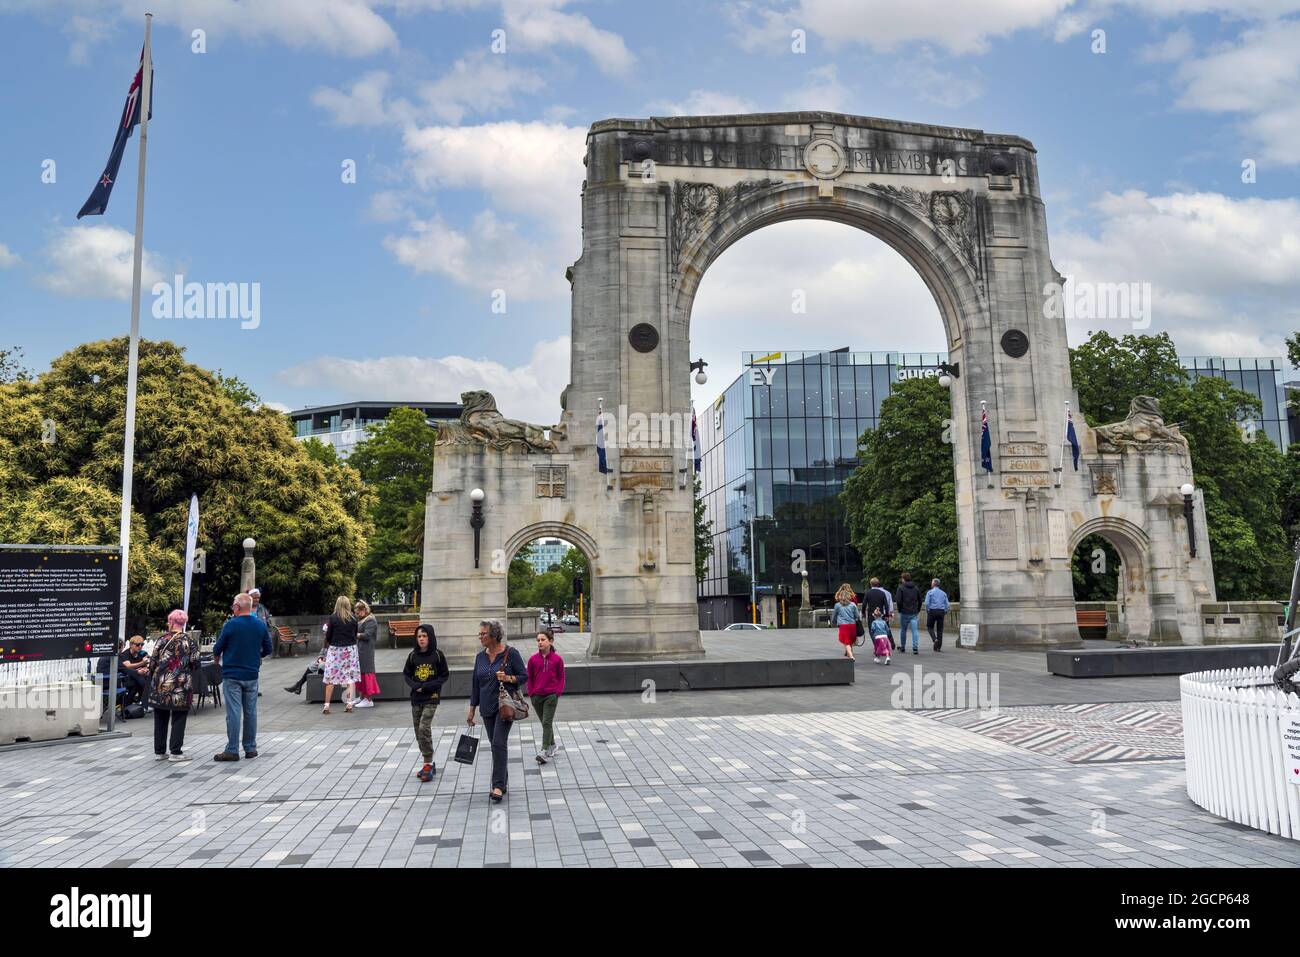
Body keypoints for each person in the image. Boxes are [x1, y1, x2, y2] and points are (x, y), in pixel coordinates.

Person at [466, 618, 528, 803]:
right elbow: (475, 685)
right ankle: (503, 782)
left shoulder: (511, 653)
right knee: (496, 746)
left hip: (504, 707)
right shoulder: (480, 657)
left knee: (498, 744)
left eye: (483, 634)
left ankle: (498, 786)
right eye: (480, 634)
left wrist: (508, 678)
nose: (480, 637)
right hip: (486, 708)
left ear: (494, 635)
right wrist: (471, 710)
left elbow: (524, 676)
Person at [212, 592, 273, 761]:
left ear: (237, 607)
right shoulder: (260, 624)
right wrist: (256, 655)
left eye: (233, 605)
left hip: (232, 674)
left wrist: (218, 658)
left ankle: (232, 749)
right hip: (252, 674)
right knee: (250, 712)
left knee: (233, 712)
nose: (232, 608)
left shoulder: (231, 624)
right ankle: (250, 748)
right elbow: (268, 648)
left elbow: (218, 647)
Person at [149, 610, 200, 762]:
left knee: (160, 716)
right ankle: (175, 752)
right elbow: (195, 663)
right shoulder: (189, 641)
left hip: (161, 684)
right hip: (181, 686)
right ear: (184, 623)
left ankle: (159, 751)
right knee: (179, 717)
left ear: (170, 622)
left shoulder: (161, 639)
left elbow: (153, 662)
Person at [404, 624, 449, 783]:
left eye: (424, 636)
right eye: (419, 636)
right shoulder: (412, 656)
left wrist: (428, 686)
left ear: (430, 637)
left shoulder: (438, 655)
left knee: (424, 727)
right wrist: (415, 686)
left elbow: (444, 675)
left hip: (432, 696)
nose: (421, 639)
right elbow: (407, 675)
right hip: (416, 697)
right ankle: (428, 760)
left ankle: (428, 763)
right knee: (418, 731)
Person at [528, 629, 566, 763]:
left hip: (551, 696)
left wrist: (557, 693)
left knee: (546, 722)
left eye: (543, 640)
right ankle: (553, 745)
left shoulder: (557, 659)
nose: (540, 642)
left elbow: (561, 677)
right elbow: (530, 678)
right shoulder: (533, 659)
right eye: (538, 640)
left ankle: (544, 751)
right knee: (545, 724)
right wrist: (531, 694)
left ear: (550, 641)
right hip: (536, 697)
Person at [321, 596, 359, 714]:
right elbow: (355, 634)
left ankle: (327, 706)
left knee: (330, 678)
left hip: (336, 650)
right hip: (350, 650)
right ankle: (349, 704)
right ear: (348, 605)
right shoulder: (353, 618)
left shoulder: (333, 618)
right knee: (349, 677)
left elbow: (328, 636)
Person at [354, 599, 379, 709]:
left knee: (366, 673)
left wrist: (355, 634)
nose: (357, 614)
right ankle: (362, 697)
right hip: (360, 650)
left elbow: (367, 635)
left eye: (358, 611)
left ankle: (368, 699)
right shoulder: (362, 620)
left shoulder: (371, 620)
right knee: (360, 674)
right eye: (356, 612)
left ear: (364, 610)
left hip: (367, 651)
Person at [115, 635, 152, 708]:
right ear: (131, 645)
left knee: (146, 678)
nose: (140, 646)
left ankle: (142, 703)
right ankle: (143, 703)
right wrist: (142, 663)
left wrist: (146, 669)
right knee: (140, 681)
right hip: (127, 677)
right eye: (138, 645)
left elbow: (146, 665)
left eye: (142, 644)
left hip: (139, 676)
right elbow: (128, 666)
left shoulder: (142, 654)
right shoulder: (125, 654)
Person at [895, 573, 923, 655]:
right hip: (913, 612)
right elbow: (920, 600)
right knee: (915, 630)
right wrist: (917, 610)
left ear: (903, 579)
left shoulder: (901, 588)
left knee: (903, 630)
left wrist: (900, 610)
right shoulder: (916, 588)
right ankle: (915, 647)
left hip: (904, 612)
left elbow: (899, 601)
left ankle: (903, 647)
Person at [832, 584, 862, 661]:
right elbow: (857, 615)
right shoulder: (853, 605)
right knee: (850, 640)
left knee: (846, 641)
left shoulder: (837, 605)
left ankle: (851, 656)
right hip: (852, 625)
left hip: (843, 625)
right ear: (849, 596)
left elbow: (834, 615)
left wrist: (833, 622)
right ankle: (849, 652)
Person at [863, 578, 894, 650]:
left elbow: (864, 604)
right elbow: (886, 605)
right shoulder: (882, 593)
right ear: (878, 584)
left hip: (871, 615)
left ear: (871, 584)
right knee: (885, 628)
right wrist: (886, 615)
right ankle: (890, 641)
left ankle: (876, 645)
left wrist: (863, 613)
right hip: (881, 614)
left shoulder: (868, 593)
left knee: (872, 630)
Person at [924, 578, 950, 652]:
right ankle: (938, 647)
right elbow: (947, 605)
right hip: (941, 612)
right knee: (940, 629)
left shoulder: (930, 592)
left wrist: (928, 610)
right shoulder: (943, 593)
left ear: (933, 584)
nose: (931, 584)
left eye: (932, 582)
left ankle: (935, 639)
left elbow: (926, 603)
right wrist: (945, 611)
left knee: (929, 627)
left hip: (932, 611)